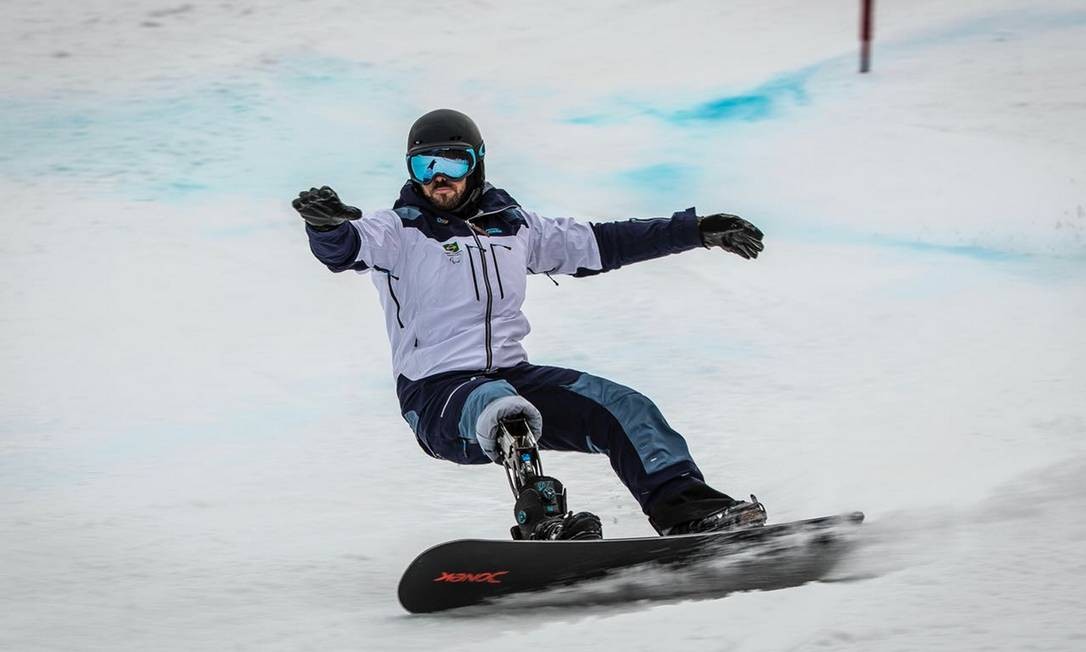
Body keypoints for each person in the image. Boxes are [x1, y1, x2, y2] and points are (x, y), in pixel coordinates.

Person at [294, 108, 768, 540]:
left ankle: (686, 511)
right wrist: (325, 227)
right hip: (436, 396)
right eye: (424, 166)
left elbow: (603, 243)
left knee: (622, 406)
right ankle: (543, 524)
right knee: (504, 410)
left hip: (511, 377)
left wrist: (696, 230)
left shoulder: (514, 228)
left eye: (453, 164)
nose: (439, 178)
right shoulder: (398, 232)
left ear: (476, 164)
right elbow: (346, 248)